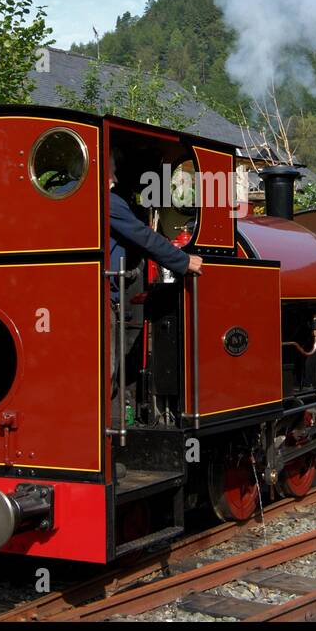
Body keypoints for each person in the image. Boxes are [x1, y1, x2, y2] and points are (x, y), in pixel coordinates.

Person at [108, 153, 203, 427]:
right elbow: (143, 236)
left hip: (89, 295)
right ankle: (113, 437)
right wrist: (183, 261)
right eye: (111, 172)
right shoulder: (108, 202)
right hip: (102, 297)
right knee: (110, 371)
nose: (114, 178)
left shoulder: (65, 194)